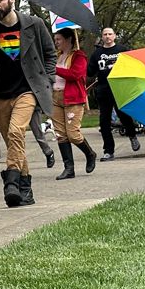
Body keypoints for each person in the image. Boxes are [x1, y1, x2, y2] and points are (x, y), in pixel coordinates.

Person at [0, 0, 56, 207]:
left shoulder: (34, 24)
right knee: (14, 142)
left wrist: (47, 80)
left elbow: (50, 54)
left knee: (15, 132)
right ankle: (25, 190)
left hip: (27, 90)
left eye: (0, 0)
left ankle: (10, 181)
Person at [88, 27, 140, 161]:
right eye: (105, 34)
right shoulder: (97, 53)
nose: (107, 36)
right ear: (102, 37)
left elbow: (133, 67)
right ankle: (108, 151)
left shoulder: (122, 50)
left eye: (110, 34)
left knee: (124, 116)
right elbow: (90, 72)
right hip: (103, 90)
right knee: (104, 121)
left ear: (115, 36)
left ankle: (132, 136)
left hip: (120, 88)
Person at [51, 28, 97, 180]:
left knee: (73, 134)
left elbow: (75, 75)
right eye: (55, 39)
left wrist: (55, 69)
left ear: (69, 39)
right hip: (55, 97)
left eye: (59, 39)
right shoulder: (56, 56)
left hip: (73, 98)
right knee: (60, 135)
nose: (56, 42)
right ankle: (68, 169)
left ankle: (90, 153)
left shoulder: (79, 56)